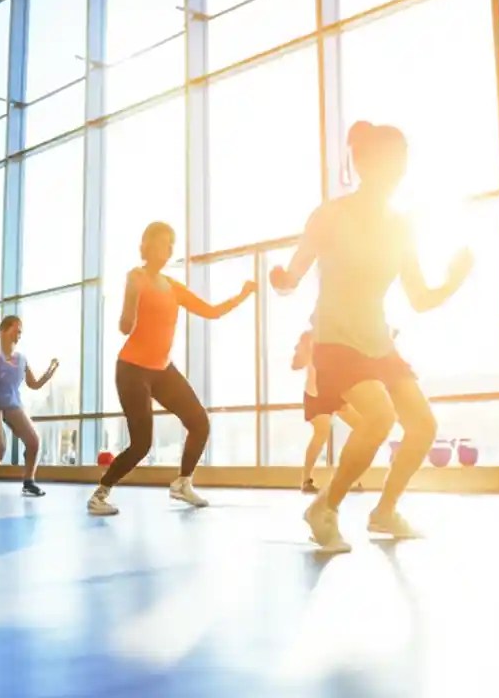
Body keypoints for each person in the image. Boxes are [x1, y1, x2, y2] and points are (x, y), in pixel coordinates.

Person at [269, 121, 474, 553]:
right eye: (386, 159)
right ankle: (324, 507)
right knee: (379, 418)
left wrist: (454, 280)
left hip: (377, 339)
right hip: (335, 336)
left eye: (402, 160)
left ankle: (385, 511)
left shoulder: (401, 226)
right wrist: (282, 281)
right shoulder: (330, 215)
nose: (396, 169)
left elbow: (419, 298)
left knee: (422, 425)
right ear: (361, 162)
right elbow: (294, 273)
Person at [87, 221, 256, 516]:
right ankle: (100, 494)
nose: (167, 249)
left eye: (170, 244)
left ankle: (182, 483)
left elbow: (211, 311)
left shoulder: (173, 287)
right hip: (132, 369)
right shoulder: (136, 277)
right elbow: (124, 326)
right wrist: (130, 303)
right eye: (162, 242)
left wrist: (243, 295)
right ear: (147, 246)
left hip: (162, 370)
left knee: (199, 422)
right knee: (141, 444)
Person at [0, 316, 58, 500]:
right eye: (16, 330)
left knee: (33, 442)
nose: (19, 335)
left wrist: (48, 373)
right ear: (3, 330)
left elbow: (33, 384)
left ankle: (29, 482)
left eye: (21, 331)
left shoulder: (21, 358)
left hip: (12, 404)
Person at [292, 328, 363, 494]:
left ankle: (349, 476)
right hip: (316, 394)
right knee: (321, 432)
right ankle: (306, 480)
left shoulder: (338, 338)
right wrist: (304, 350)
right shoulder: (308, 337)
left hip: (333, 392)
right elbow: (296, 365)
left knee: (361, 426)